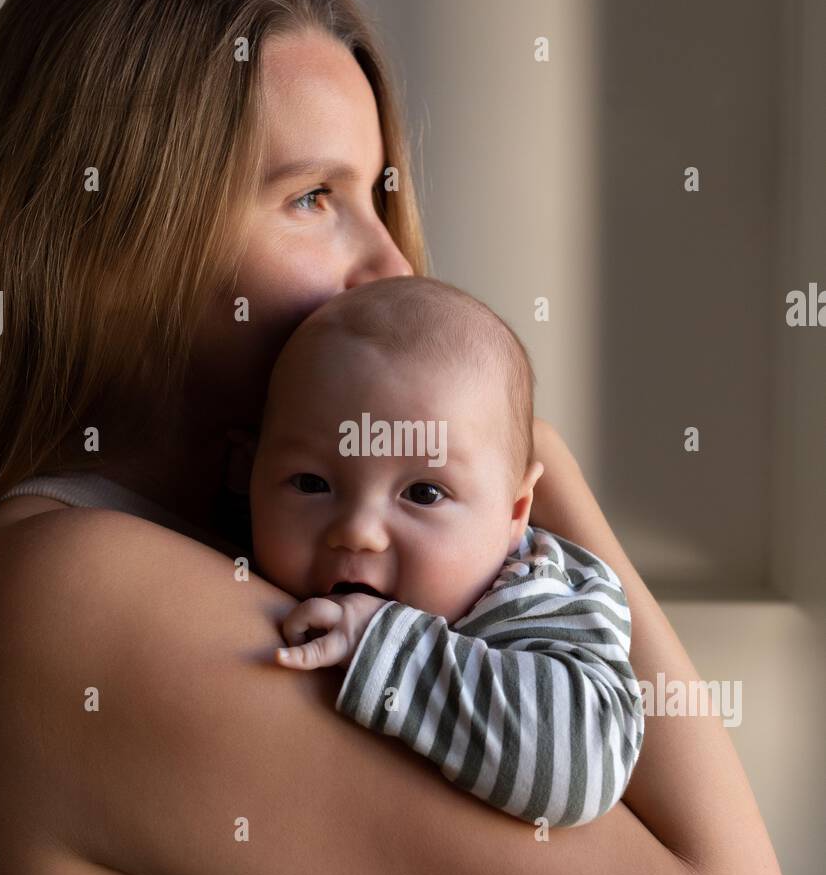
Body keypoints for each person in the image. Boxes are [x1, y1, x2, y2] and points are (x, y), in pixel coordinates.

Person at [0, 0, 787, 875]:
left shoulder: (265, 550)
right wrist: (528, 447)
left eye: (380, 197)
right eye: (313, 198)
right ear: (110, 233)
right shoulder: (70, 589)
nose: (392, 267)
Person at [249, 274, 645, 828]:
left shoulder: (536, 594)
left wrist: (382, 644)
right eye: (311, 483)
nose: (358, 532)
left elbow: (581, 770)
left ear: (515, 512)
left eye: (424, 493)